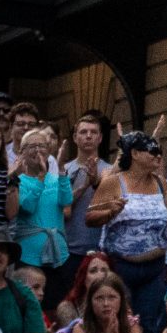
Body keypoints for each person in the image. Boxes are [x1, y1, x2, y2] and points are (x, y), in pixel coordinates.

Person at [93, 130, 167, 333]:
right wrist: (110, 212)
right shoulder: (113, 182)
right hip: (122, 267)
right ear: (136, 154)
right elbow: (90, 217)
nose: (158, 156)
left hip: (154, 267)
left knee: (149, 323)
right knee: (120, 320)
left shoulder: (160, 183)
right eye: (153, 151)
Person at [60, 113, 112, 297]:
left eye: (93, 132)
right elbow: (60, 207)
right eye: (83, 132)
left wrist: (97, 182)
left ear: (100, 138)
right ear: (75, 137)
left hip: (101, 250)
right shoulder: (63, 170)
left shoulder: (111, 171)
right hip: (67, 249)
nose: (88, 136)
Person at [8, 128, 71, 273]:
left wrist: (61, 168)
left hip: (59, 254)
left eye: (42, 146)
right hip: (27, 257)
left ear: (48, 151)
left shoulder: (57, 179)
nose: (37, 150)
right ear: (21, 153)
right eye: (31, 146)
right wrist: (40, 179)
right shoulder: (18, 182)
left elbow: (66, 201)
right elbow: (28, 207)